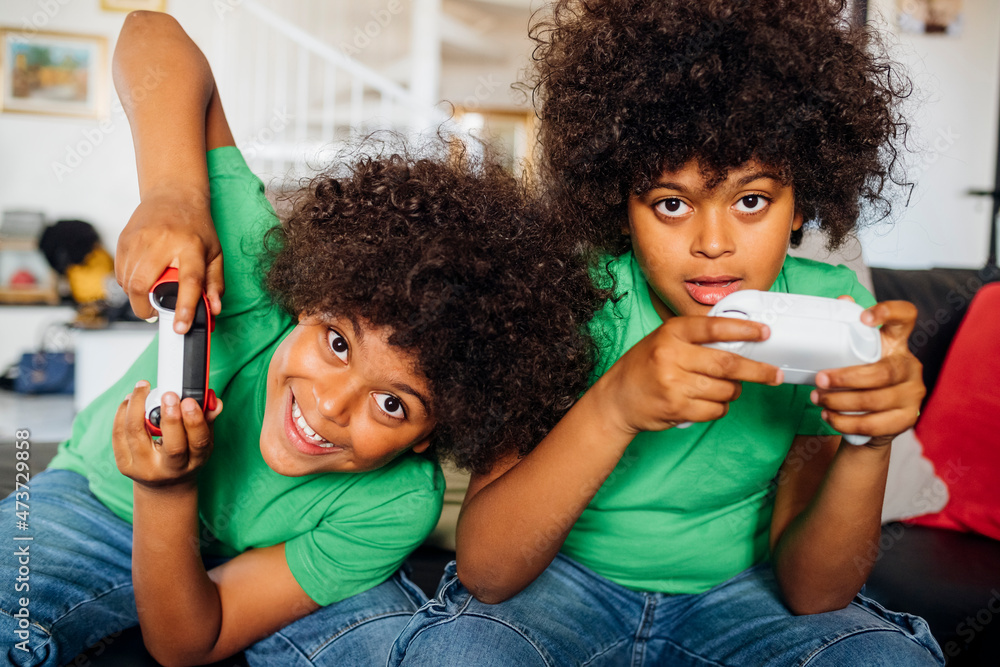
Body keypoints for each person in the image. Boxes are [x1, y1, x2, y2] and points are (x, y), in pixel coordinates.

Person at [0, 11, 599, 667]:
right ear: (310, 298)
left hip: (258, 551)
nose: (332, 404)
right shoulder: (247, 273)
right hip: (101, 497)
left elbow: (189, 640)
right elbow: (149, 32)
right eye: (338, 343)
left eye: (393, 403)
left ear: (434, 433)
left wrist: (168, 493)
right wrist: (174, 194)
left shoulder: (401, 501)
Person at [389, 1, 946, 665]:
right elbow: (488, 571)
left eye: (751, 200)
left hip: (741, 597)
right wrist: (614, 405)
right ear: (620, 205)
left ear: (801, 203)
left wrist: (869, 441)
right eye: (672, 203)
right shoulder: (562, 295)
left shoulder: (829, 311)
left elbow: (813, 593)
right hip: (559, 587)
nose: (712, 243)